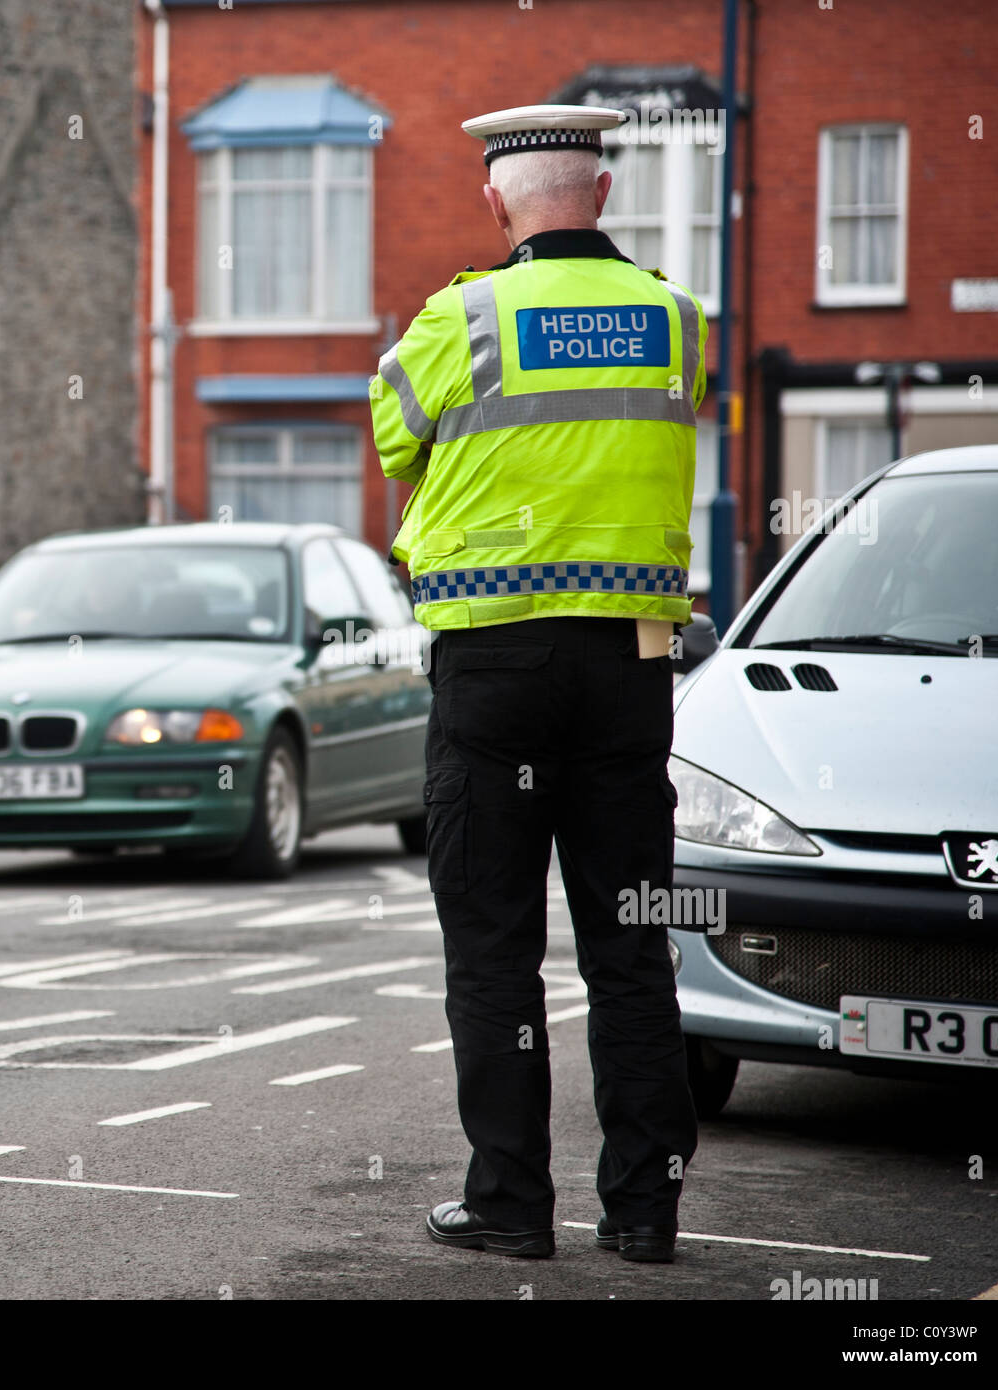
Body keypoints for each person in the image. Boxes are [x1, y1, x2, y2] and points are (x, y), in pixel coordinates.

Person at [369, 105, 706, 1263]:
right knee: (629, 945)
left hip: (492, 671)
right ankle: (645, 1210)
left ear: (494, 204)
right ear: (605, 194)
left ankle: (511, 1206)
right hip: (628, 666)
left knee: (496, 951)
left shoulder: (457, 317)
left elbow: (392, 436)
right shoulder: (676, 319)